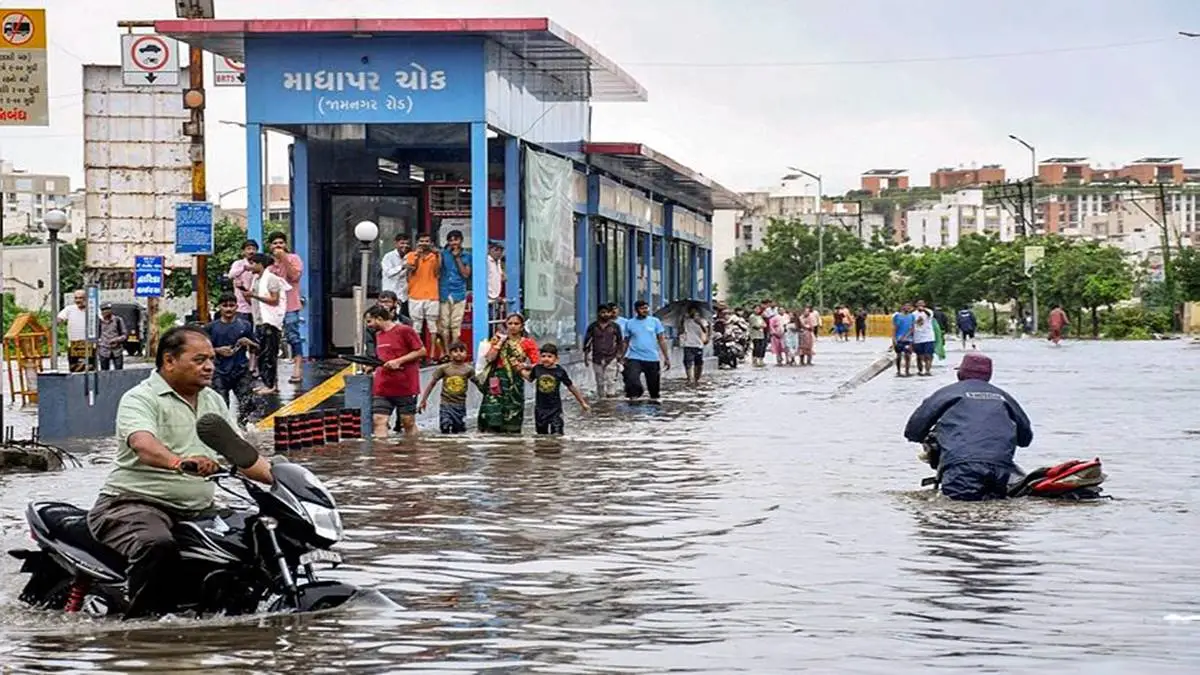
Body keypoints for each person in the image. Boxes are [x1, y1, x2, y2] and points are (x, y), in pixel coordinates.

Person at [88, 326, 274, 618]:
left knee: (254, 537)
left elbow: (239, 453)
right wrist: (180, 462)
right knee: (157, 545)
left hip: (199, 509)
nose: (210, 366)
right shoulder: (140, 398)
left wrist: (285, 481)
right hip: (132, 504)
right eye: (199, 360)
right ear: (169, 361)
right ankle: (142, 624)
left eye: (211, 359)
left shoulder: (212, 400)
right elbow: (143, 444)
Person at [903, 352, 1033, 501]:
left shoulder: (948, 393)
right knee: (992, 515)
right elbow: (1025, 439)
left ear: (961, 373)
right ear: (988, 375)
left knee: (957, 516)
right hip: (1001, 468)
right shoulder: (1004, 397)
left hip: (961, 468)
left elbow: (914, 430)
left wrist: (928, 438)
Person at [365, 305, 426, 438]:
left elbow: (421, 351)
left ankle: (411, 452)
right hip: (383, 386)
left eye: (370, 321)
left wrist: (399, 361)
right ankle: (381, 455)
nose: (368, 325)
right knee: (379, 420)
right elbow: (383, 357)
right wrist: (371, 366)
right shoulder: (378, 335)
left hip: (405, 385)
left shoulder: (405, 330)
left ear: (379, 318)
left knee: (407, 422)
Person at [478, 313, 539, 433]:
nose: (513, 326)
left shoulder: (528, 343)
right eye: (510, 323)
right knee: (492, 413)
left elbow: (537, 364)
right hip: (497, 382)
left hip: (515, 382)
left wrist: (525, 366)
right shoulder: (498, 340)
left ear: (522, 327)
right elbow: (489, 358)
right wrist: (499, 343)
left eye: (516, 324)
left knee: (513, 416)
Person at [206, 294, 259, 425]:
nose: (228, 309)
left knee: (247, 402)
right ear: (219, 307)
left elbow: (257, 348)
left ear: (237, 306)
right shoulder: (211, 328)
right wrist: (217, 350)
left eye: (231, 305)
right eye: (225, 306)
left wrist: (250, 345)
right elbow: (200, 351)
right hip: (219, 371)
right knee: (220, 405)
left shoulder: (245, 326)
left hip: (240, 369)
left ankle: (243, 425)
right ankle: (225, 431)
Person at [246, 253, 289, 395]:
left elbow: (274, 300)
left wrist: (254, 296)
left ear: (260, 264)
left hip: (270, 322)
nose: (250, 266)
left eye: (253, 263)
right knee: (262, 354)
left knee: (269, 354)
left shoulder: (272, 279)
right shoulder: (256, 279)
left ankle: (271, 385)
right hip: (259, 321)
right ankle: (267, 383)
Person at [525, 343, 590, 435]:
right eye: (543, 356)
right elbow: (530, 378)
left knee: (557, 434)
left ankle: (556, 449)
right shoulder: (537, 369)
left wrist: (582, 402)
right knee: (541, 435)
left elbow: (571, 386)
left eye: (549, 356)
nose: (546, 359)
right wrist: (519, 369)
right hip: (540, 409)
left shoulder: (560, 371)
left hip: (555, 409)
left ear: (556, 359)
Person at [266, 232, 305, 384]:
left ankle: (297, 368)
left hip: (290, 305)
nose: (278, 246)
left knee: (293, 336)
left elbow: (294, 277)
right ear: (270, 246)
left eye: (281, 243)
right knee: (271, 339)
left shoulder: (294, 258)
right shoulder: (268, 264)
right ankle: (272, 374)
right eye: (275, 243)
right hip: (273, 307)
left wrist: (284, 259)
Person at [418, 341, 476, 434]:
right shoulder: (444, 368)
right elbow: (432, 384)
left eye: (461, 351)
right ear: (450, 354)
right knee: (445, 426)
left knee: (459, 431)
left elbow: (478, 383)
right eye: (455, 351)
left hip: (460, 405)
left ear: (466, 353)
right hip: (446, 404)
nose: (458, 354)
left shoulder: (469, 369)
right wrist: (423, 401)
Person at [621, 300, 670, 401]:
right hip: (634, 357)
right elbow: (626, 341)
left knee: (654, 390)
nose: (645, 310)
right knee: (632, 380)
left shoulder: (655, 321)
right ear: (636, 310)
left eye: (646, 308)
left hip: (652, 358)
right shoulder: (629, 323)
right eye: (642, 308)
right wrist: (622, 356)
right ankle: (634, 403)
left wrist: (666, 357)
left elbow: (661, 340)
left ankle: (654, 410)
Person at [438, 229, 472, 358]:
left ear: (461, 241)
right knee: (444, 325)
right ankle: (446, 352)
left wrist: (457, 258)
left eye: (456, 240)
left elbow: (466, 274)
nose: (453, 243)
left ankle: (455, 352)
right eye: (451, 240)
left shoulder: (466, 255)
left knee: (455, 325)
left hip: (459, 293)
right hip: (444, 292)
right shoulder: (443, 254)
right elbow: (437, 271)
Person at [405, 232, 441, 353]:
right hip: (415, 294)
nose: (424, 243)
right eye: (422, 241)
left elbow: (437, 272)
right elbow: (411, 270)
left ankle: (432, 353)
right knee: (416, 326)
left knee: (433, 327)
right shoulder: (411, 255)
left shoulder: (434, 256)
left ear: (431, 243)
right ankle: (418, 352)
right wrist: (417, 256)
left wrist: (437, 255)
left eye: (427, 241)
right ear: (417, 243)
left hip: (432, 294)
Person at [583, 304, 623, 398]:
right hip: (597, 357)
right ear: (598, 313)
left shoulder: (615, 326)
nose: (605, 314)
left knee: (611, 381)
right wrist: (585, 356)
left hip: (611, 357)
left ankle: (610, 403)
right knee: (599, 381)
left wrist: (619, 355)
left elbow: (619, 341)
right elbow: (587, 342)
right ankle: (602, 400)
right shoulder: (593, 326)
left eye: (607, 312)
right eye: (603, 312)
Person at [56, 289, 91, 372]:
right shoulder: (69, 309)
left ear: (86, 298)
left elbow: (101, 322)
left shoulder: (92, 309)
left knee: (89, 369)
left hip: (89, 344)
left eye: (81, 298)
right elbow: (59, 319)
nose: (78, 300)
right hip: (73, 344)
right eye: (76, 298)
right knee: (74, 369)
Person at [227, 239, 259, 325]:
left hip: (256, 307)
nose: (251, 251)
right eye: (248, 249)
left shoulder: (259, 265)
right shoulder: (238, 264)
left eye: (253, 249)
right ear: (243, 251)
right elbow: (231, 275)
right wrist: (244, 268)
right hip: (241, 307)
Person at [380, 233, 411, 320]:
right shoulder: (388, 256)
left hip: (404, 296)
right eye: (402, 243)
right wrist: (402, 267)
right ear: (396, 243)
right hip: (390, 295)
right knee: (389, 319)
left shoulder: (409, 256)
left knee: (402, 320)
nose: (405, 246)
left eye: (407, 243)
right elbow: (389, 272)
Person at [679, 306, 709, 384]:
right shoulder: (686, 321)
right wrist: (682, 321)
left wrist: (700, 323)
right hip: (688, 344)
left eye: (695, 311)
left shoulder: (703, 321)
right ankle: (689, 379)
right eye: (691, 311)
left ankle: (696, 379)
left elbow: (706, 331)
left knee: (698, 364)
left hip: (698, 345)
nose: (693, 313)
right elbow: (681, 331)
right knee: (688, 362)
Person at [97, 303, 128, 371]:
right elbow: (96, 335)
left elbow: (125, 335)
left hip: (117, 350)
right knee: (104, 372)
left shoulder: (118, 320)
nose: (105, 312)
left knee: (119, 371)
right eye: (103, 310)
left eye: (107, 310)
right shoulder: (99, 321)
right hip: (104, 350)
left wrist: (117, 340)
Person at [911, 300, 937, 376]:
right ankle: (920, 370)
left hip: (928, 337)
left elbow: (929, 315)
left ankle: (928, 370)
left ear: (925, 304)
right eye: (919, 304)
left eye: (922, 304)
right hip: (917, 337)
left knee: (928, 355)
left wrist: (924, 310)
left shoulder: (929, 311)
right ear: (916, 305)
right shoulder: (913, 314)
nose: (920, 305)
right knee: (919, 356)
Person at [892, 303, 915, 377]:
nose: (907, 308)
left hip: (908, 339)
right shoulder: (897, 316)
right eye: (906, 307)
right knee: (898, 356)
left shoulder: (912, 316)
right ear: (902, 307)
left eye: (909, 307)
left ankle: (907, 371)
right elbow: (894, 328)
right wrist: (893, 338)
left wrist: (908, 337)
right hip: (898, 339)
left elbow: (912, 328)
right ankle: (898, 371)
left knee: (908, 355)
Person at [486, 240, 506, 323]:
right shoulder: (486, 262)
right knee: (490, 322)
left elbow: (502, 278)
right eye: (496, 250)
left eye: (501, 250)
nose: (499, 252)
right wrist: (492, 296)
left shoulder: (497, 262)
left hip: (496, 299)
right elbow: (485, 281)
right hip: (488, 299)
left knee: (495, 320)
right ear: (490, 250)